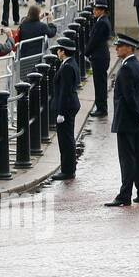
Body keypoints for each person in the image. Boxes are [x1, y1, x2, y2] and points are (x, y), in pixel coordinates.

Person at [105, 34, 139, 207]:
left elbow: (128, 97)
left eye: (120, 46)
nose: (117, 48)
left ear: (129, 48)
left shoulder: (125, 69)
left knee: (127, 160)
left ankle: (124, 195)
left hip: (127, 121)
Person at [50, 37, 81, 180]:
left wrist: (61, 112)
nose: (57, 52)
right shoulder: (69, 63)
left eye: (59, 50)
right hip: (70, 105)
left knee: (66, 140)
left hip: (66, 107)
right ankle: (69, 168)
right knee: (67, 138)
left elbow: (65, 91)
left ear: (63, 52)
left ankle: (67, 170)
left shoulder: (67, 66)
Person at [86, 0, 112, 118]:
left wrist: (86, 53)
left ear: (102, 10)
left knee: (100, 84)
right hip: (101, 56)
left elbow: (94, 40)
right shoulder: (102, 20)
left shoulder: (101, 23)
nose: (94, 11)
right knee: (100, 83)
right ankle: (100, 107)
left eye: (96, 9)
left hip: (100, 57)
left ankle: (101, 108)